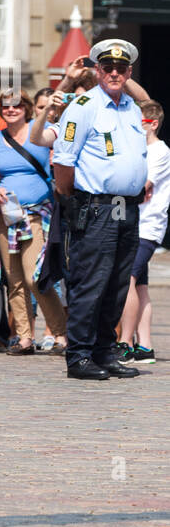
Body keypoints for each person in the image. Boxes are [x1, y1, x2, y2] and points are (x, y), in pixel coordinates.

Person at [52, 39, 149, 381]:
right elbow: (63, 161)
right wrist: (70, 197)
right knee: (90, 281)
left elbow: (149, 106)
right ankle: (78, 354)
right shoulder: (83, 105)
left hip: (128, 208)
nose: (114, 73)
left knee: (117, 285)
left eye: (121, 68)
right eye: (107, 68)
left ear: (129, 72)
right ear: (97, 70)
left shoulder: (132, 109)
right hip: (95, 207)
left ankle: (104, 352)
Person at [0, 88, 67, 356]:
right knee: (14, 280)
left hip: (36, 213)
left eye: (17, 106)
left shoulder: (39, 128)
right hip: (7, 215)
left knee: (35, 277)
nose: (11, 111)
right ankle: (24, 337)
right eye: (6, 107)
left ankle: (60, 333)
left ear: (26, 109)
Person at [117, 99, 168, 365]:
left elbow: (141, 185)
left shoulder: (160, 151)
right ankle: (145, 345)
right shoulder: (141, 150)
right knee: (143, 287)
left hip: (147, 227)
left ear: (153, 124)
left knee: (128, 281)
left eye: (140, 124)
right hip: (134, 224)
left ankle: (124, 341)